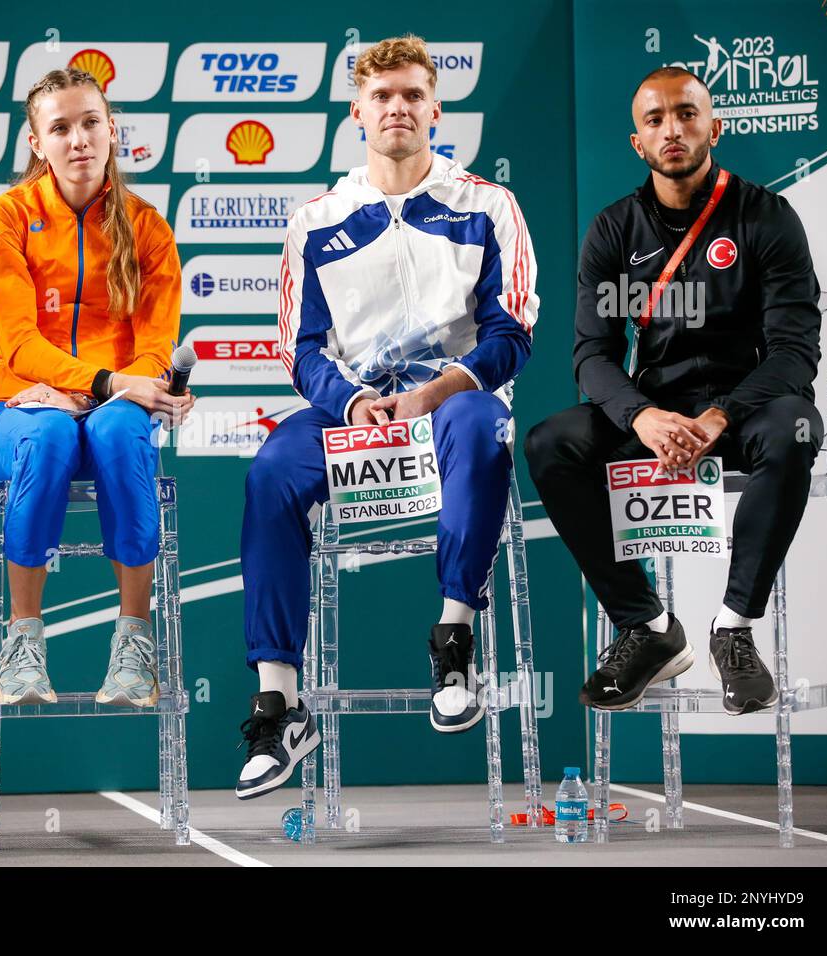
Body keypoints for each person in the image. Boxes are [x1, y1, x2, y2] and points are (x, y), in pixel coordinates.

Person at [235, 35, 538, 799]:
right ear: (358, 114)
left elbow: (513, 331)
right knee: (271, 471)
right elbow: (301, 349)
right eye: (382, 97)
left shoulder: (488, 205)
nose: (397, 108)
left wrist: (432, 395)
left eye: (411, 95)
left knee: (479, 426)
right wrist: (353, 402)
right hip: (358, 413)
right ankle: (278, 703)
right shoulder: (317, 220)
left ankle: (453, 640)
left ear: (435, 109)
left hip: (451, 405)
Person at [525, 67, 822, 716]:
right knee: (551, 443)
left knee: (796, 425)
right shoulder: (614, 231)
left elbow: (795, 354)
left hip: (743, 412)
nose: (673, 129)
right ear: (638, 142)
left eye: (686, 114)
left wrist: (722, 415)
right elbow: (593, 355)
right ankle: (649, 627)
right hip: (657, 411)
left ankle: (734, 628)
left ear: (714, 126)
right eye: (655, 119)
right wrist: (643, 417)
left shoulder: (766, 218)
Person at [0, 67, 192, 708]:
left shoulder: (147, 227)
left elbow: (154, 346)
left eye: (90, 122)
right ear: (36, 143)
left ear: (112, 130)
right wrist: (96, 382)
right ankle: (22, 646)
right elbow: (17, 344)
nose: (78, 139)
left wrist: (128, 389)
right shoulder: (5, 217)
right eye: (59, 127)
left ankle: (133, 646)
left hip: (108, 411)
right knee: (45, 434)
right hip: (16, 408)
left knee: (124, 430)